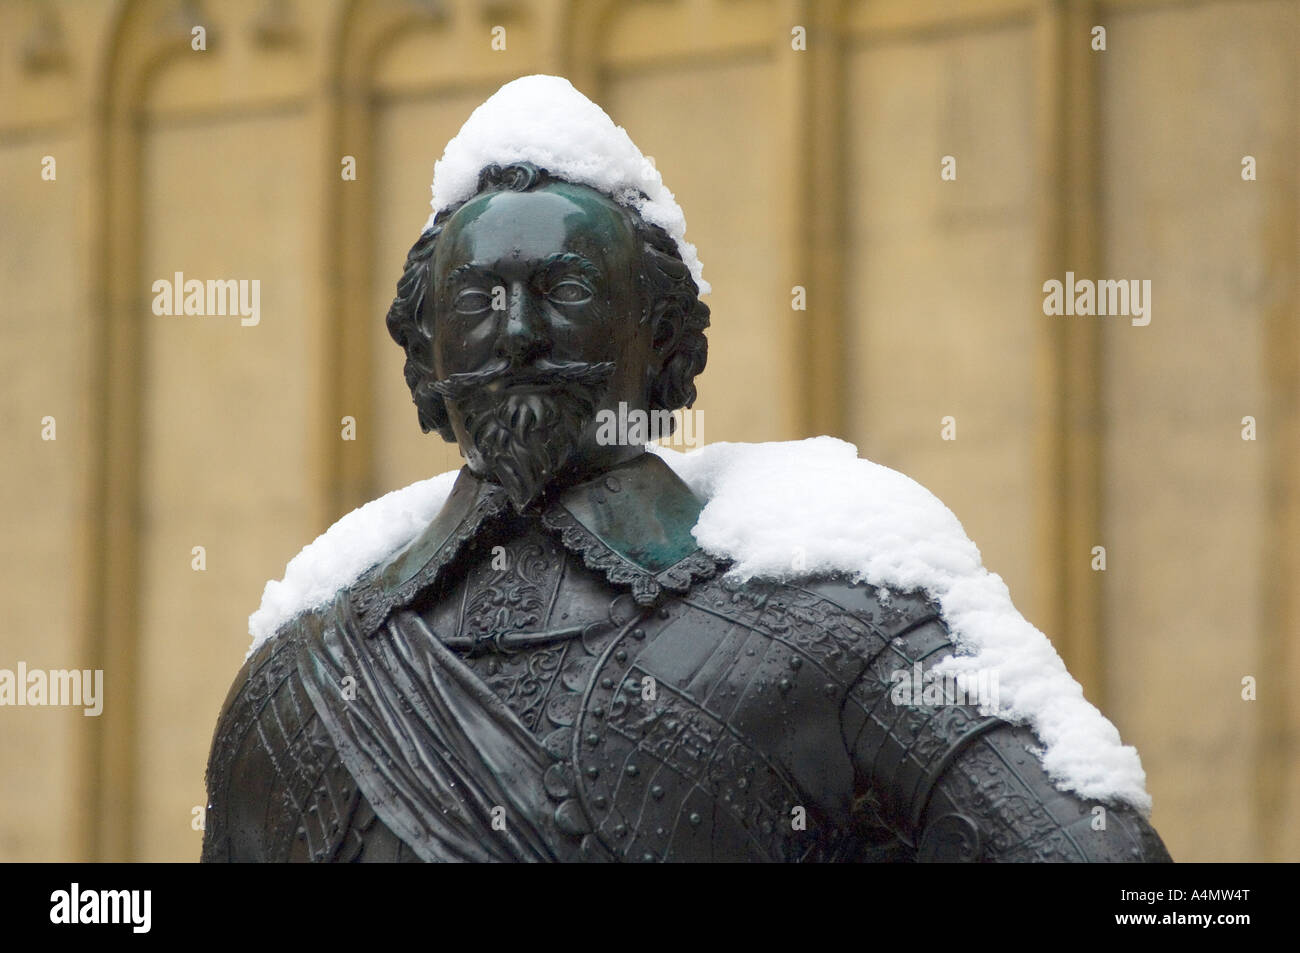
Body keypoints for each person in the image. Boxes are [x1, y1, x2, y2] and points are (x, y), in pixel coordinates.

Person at [201, 76, 1171, 863]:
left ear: (659, 338)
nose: (522, 334)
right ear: (426, 351)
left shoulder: (826, 620)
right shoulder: (298, 690)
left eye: (565, 289)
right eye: (480, 299)